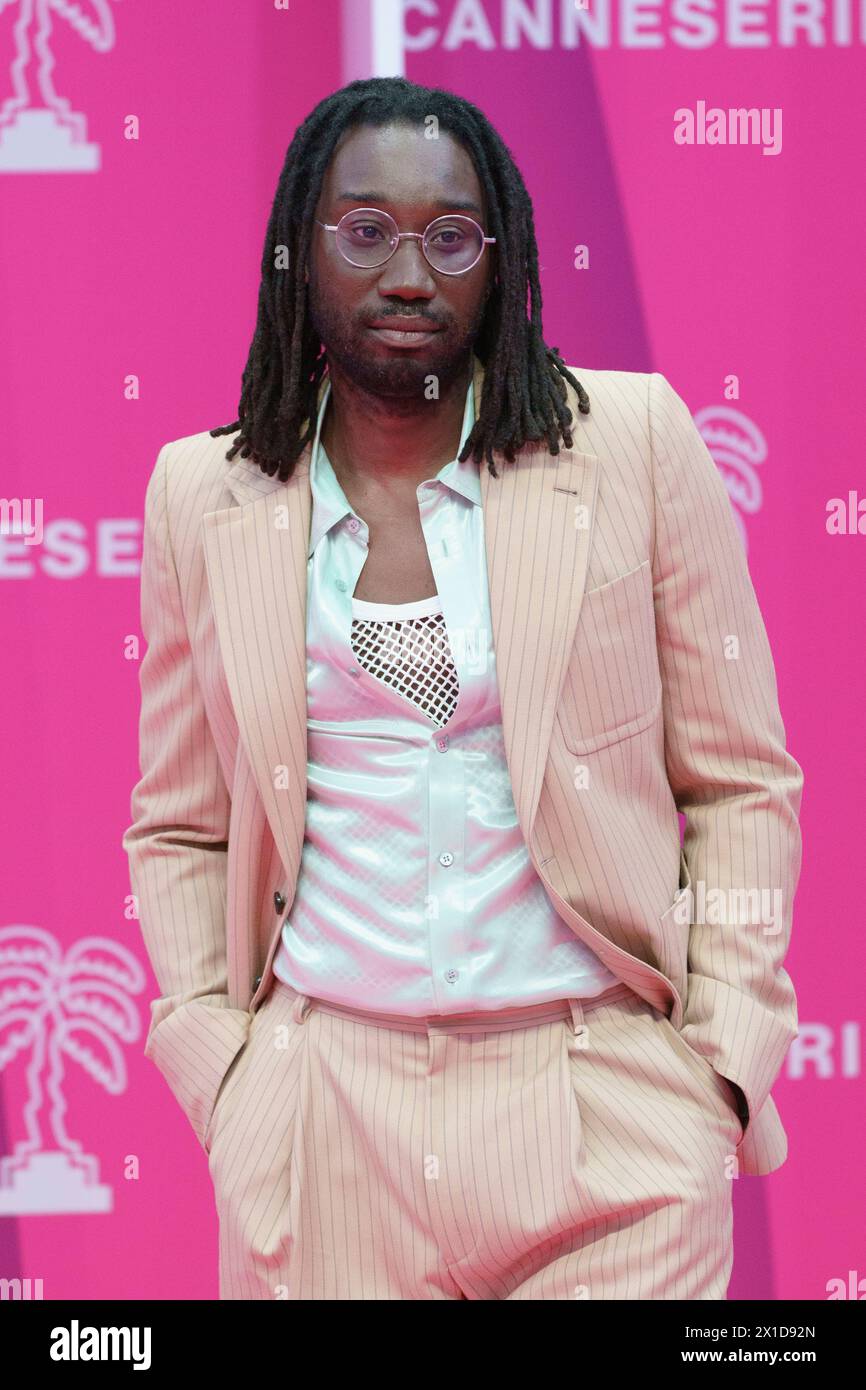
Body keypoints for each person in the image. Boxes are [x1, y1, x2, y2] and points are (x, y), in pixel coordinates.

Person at [122, 76, 803, 1300]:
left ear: (502, 260)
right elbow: (178, 820)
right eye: (364, 229)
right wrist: (220, 1066)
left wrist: (718, 1067)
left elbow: (742, 776)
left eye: (449, 236)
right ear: (298, 245)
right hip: (322, 1126)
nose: (406, 274)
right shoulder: (200, 494)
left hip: (604, 1116)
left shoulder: (633, 444)